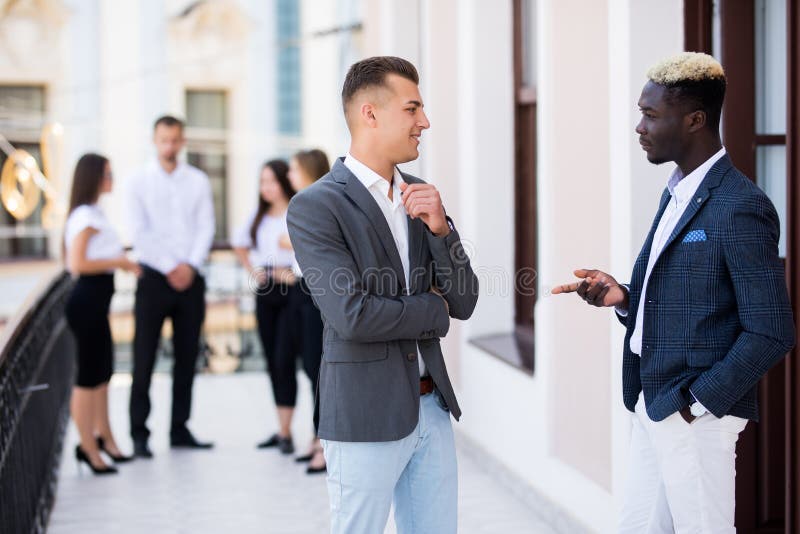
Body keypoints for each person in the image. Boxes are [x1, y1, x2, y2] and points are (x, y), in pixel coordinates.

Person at [552, 52, 795, 532]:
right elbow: (683, 296)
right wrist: (623, 295)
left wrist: (698, 404)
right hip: (652, 401)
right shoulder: (677, 190)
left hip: (692, 416)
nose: (639, 126)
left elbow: (772, 329)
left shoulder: (741, 207)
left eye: (650, 114)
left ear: (694, 120)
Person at [287, 56, 479, 534]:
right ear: (370, 113)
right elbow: (352, 316)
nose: (425, 122)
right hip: (362, 412)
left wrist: (441, 230)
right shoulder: (316, 206)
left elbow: (467, 300)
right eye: (412, 108)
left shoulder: (421, 195)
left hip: (431, 409)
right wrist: (433, 309)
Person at [127, 115, 216, 458]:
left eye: (175, 139)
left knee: (186, 356)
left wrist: (190, 266)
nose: (169, 145)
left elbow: (206, 226)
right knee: (144, 357)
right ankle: (139, 434)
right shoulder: (138, 182)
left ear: (182, 141)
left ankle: (180, 429)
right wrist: (170, 268)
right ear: (155, 140)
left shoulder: (198, 181)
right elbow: (139, 233)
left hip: (191, 281)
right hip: (153, 279)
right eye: (164, 139)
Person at [64, 153, 142, 475]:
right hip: (86, 301)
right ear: (93, 176)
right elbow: (77, 263)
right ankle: (88, 448)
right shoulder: (84, 216)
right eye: (107, 173)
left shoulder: (94, 212)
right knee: (87, 379)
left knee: (102, 375)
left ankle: (105, 439)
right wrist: (120, 262)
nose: (111, 178)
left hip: (97, 304)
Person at [231, 159, 298, 454]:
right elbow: (239, 243)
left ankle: (298, 431)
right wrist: (253, 270)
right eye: (262, 182)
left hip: (291, 290)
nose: (266, 188)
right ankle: (283, 431)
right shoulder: (257, 216)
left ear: (284, 181)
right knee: (272, 359)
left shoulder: (295, 212)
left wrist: (288, 272)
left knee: (285, 358)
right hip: (265, 291)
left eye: (271, 181)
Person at [285, 148, 330, 474]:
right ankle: (318, 437)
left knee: (320, 372)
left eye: (293, 169)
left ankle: (325, 442)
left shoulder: (319, 202)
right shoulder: (304, 200)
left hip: (317, 293)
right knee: (309, 367)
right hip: (300, 292)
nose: (290, 175)